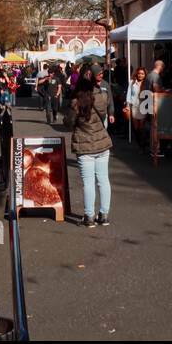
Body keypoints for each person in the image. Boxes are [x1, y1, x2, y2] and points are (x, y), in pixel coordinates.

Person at [70, 70, 113, 227]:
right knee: (103, 180)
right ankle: (104, 215)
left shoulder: (76, 102)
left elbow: (68, 122)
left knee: (88, 182)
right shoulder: (101, 98)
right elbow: (104, 114)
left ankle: (89, 216)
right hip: (102, 142)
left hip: (84, 144)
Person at [125, 67, 147, 137]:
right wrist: (127, 105)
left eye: (142, 74)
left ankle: (141, 141)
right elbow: (129, 94)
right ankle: (138, 139)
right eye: (139, 73)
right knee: (136, 126)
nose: (140, 75)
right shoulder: (132, 82)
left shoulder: (147, 83)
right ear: (136, 74)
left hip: (144, 107)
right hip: (134, 106)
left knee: (141, 125)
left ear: (145, 75)